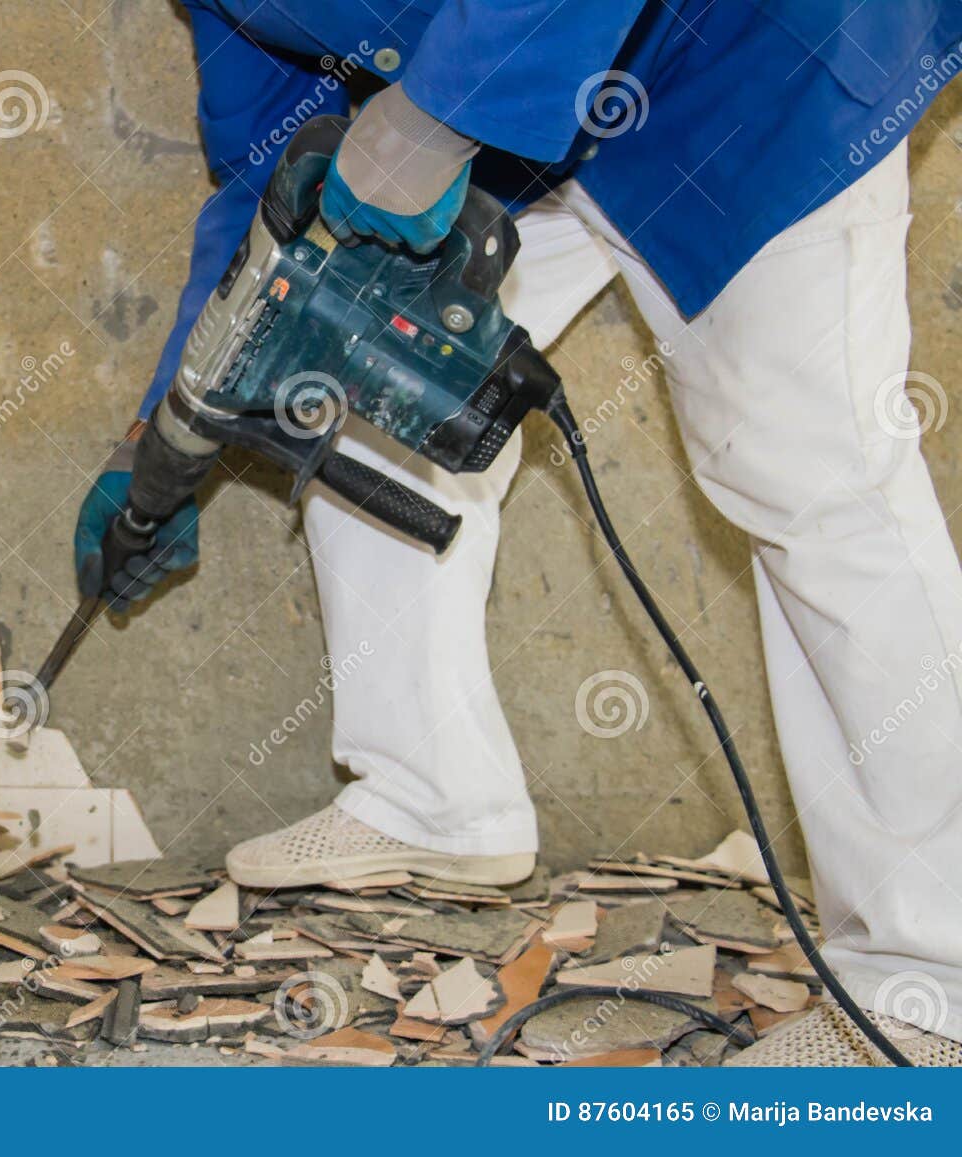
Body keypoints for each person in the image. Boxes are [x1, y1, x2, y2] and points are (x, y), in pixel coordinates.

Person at [74, 2, 962, 1064]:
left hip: (750, 53)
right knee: (350, 371)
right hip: (520, 110)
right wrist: (159, 437)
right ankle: (433, 799)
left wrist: (428, 127)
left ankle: (928, 976)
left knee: (809, 471)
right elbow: (265, 185)